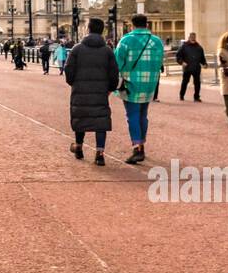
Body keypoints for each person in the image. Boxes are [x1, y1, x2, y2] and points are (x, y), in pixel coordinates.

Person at [64, 17, 119, 166]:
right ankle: (100, 153)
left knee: (80, 117)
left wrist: (73, 83)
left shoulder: (77, 49)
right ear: (102, 31)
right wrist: (110, 88)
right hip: (101, 90)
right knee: (100, 120)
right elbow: (114, 73)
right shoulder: (107, 51)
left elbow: (68, 70)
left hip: (80, 89)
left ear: (88, 30)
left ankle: (79, 146)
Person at [114, 14, 166, 165]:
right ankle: (141, 144)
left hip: (131, 83)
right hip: (150, 83)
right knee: (143, 114)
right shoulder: (157, 41)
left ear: (132, 25)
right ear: (147, 24)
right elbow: (159, 62)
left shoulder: (126, 40)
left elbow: (117, 62)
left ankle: (137, 148)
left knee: (132, 115)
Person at [175, 33, 206, 101]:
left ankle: (196, 97)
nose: (193, 38)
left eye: (194, 37)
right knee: (185, 82)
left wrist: (204, 64)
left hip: (196, 68)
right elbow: (178, 56)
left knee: (197, 83)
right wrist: (182, 62)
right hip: (187, 68)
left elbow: (202, 58)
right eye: (191, 37)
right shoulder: (184, 46)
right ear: (189, 37)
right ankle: (181, 95)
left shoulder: (199, 47)